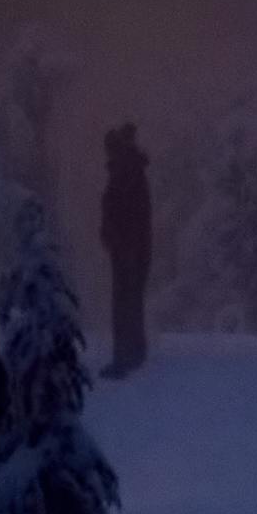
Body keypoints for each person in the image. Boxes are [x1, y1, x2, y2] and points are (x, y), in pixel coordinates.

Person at [98, 121, 155, 377]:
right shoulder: (131, 170)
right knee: (131, 301)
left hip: (128, 251)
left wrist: (119, 242)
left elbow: (127, 215)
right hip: (133, 249)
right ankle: (134, 352)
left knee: (124, 302)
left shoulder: (125, 172)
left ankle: (125, 358)